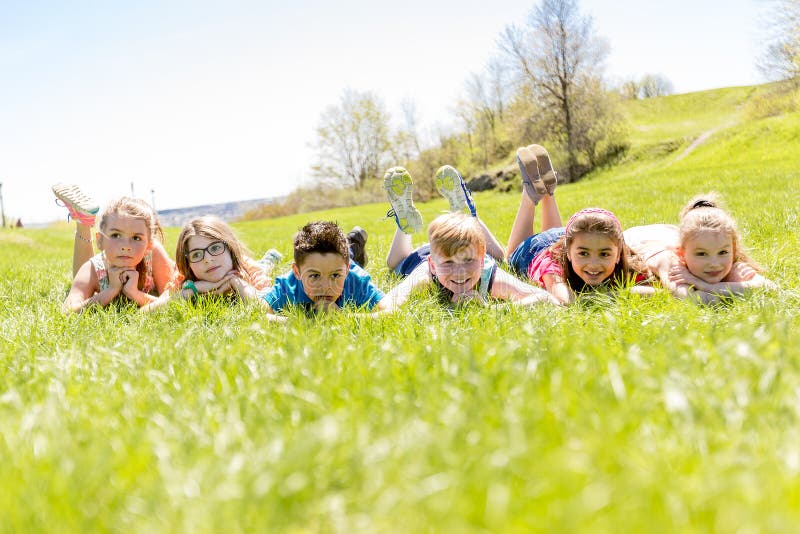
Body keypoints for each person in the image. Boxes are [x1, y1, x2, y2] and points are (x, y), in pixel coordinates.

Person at [381, 165, 558, 309]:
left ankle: (468, 219)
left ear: (482, 260)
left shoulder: (488, 275)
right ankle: (407, 223)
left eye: (467, 261)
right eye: (449, 263)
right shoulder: (425, 276)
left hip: (461, 248)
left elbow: (547, 299)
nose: (460, 272)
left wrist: (488, 308)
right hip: (425, 254)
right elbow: (389, 303)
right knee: (394, 263)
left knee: (497, 257)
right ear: (432, 266)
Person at [506, 144, 651, 305]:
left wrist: (608, 293)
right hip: (534, 250)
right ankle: (530, 195)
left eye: (604, 254)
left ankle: (547, 191)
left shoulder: (626, 263)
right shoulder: (552, 265)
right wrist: (613, 295)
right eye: (584, 254)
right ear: (567, 252)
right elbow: (566, 301)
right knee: (510, 257)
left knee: (559, 238)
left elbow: (655, 291)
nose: (594, 264)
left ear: (618, 254)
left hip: (569, 236)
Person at [623, 193, 777, 304]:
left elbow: (770, 288)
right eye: (702, 254)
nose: (714, 263)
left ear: (733, 249)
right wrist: (738, 288)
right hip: (639, 237)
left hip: (670, 232)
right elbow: (691, 300)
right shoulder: (671, 263)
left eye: (723, 252)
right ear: (681, 253)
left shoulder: (722, 252)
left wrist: (706, 285)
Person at [58, 193, 176, 312]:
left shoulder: (153, 254)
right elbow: (68, 311)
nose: (125, 246)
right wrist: (111, 290)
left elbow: (173, 300)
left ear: (148, 245)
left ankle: (83, 219)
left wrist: (134, 293)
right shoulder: (93, 268)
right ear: (100, 240)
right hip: (98, 272)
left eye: (136, 238)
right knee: (80, 277)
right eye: (116, 235)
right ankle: (83, 222)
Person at [142, 215, 278, 310]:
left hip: (249, 266)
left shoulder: (247, 268)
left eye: (215, 248)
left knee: (263, 267)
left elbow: (267, 306)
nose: (208, 259)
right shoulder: (183, 277)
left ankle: (269, 259)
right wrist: (193, 290)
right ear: (188, 263)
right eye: (196, 254)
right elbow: (146, 313)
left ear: (230, 248)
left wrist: (235, 282)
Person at [260, 220, 389, 320]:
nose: (326, 287)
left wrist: (342, 318)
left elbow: (392, 312)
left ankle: (354, 244)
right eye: (315, 276)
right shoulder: (287, 286)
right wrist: (304, 322)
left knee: (349, 255)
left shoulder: (356, 280)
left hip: (348, 262)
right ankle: (352, 242)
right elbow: (258, 314)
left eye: (335, 275)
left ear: (347, 270)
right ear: (297, 272)